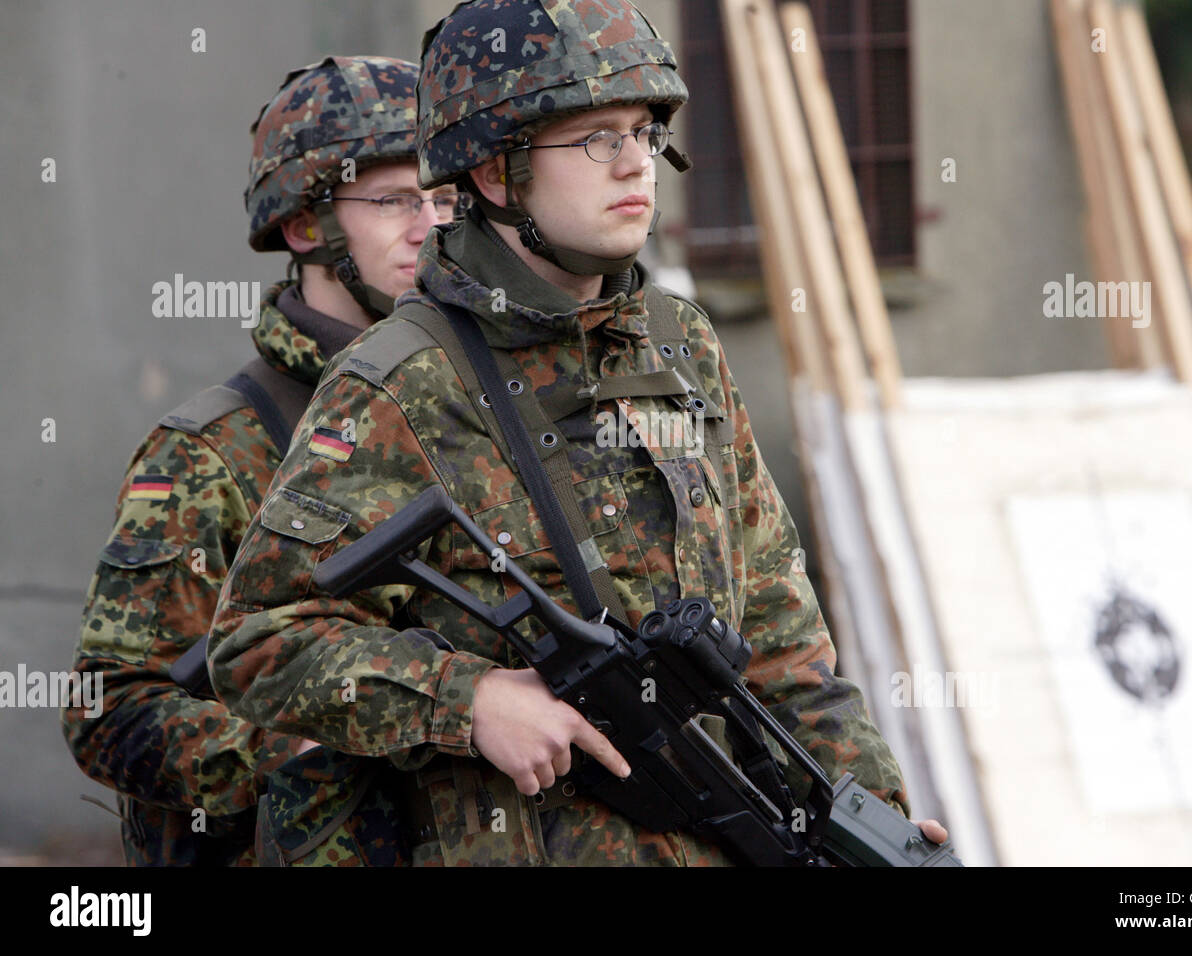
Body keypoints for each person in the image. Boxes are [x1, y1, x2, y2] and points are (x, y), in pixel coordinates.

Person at [209, 0, 946, 866]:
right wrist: (468, 701)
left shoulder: (683, 346)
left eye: (643, 129)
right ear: (495, 173)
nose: (637, 163)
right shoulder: (403, 381)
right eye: (597, 138)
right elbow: (258, 641)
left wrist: (877, 822)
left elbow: (783, 642)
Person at [61, 54, 458, 865]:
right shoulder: (213, 450)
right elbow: (108, 710)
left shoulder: (474, 410)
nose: (431, 224)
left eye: (444, 197)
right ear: (306, 226)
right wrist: (306, 759)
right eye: (393, 200)